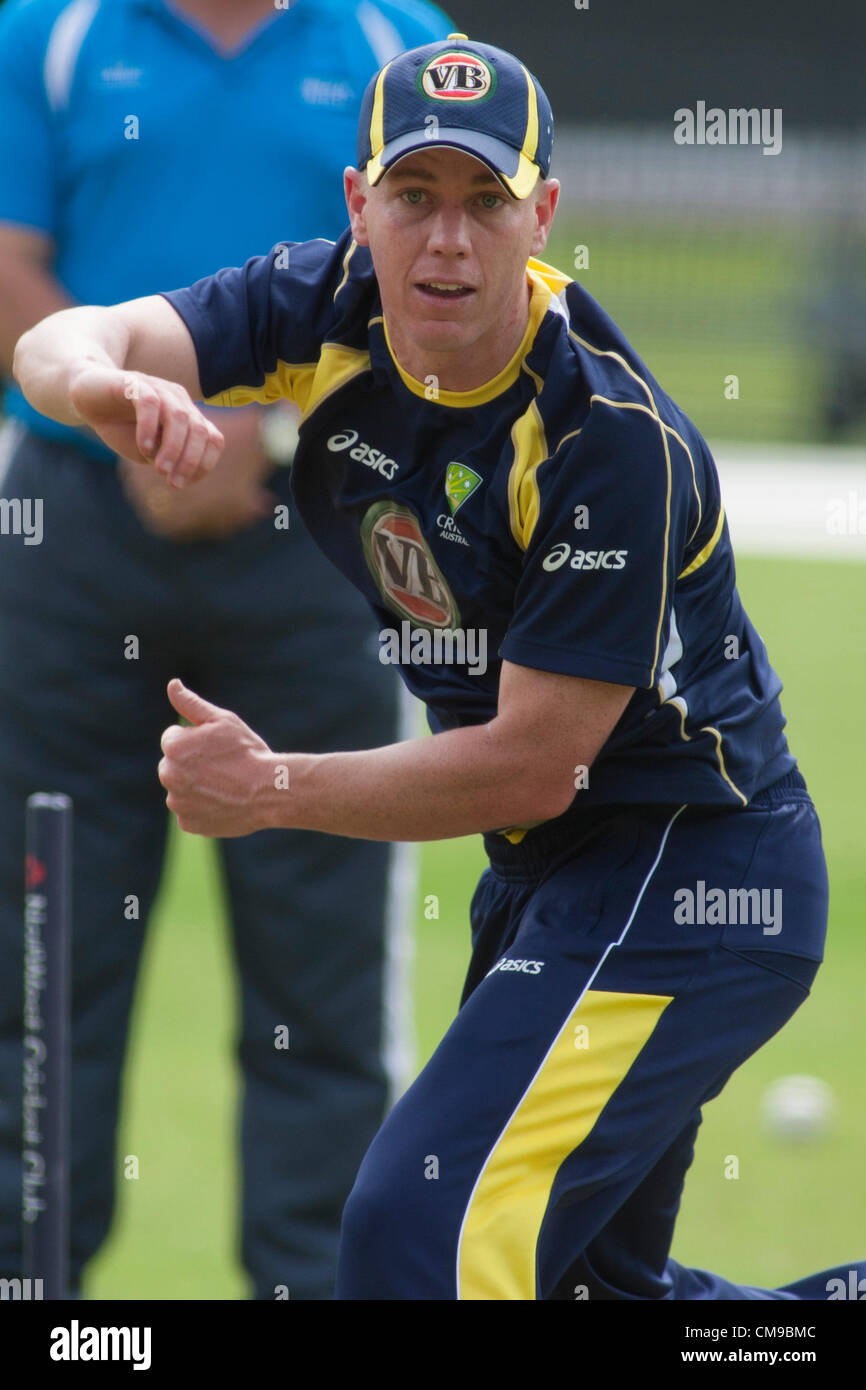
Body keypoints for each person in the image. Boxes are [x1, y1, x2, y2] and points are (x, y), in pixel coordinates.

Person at [14, 32, 864, 1301]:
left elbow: (531, 765)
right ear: (359, 206)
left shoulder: (604, 439)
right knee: (570, 1285)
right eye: (414, 197)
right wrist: (94, 389)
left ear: (545, 216)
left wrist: (274, 788)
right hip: (553, 881)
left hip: (690, 878)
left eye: (485, 201)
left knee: (416, 1234)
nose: (447, 241)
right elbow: (72, 336)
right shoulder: (322, 305)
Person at [0, 0, 450, 1300]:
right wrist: (137, 416)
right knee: (41, 945)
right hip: (74, 535)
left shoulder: (388, 40)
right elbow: (10, 263)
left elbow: (430, 283)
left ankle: (320, 1284)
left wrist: (257, 442)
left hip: (317, 536)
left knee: (325, 970)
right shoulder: (53, 30)